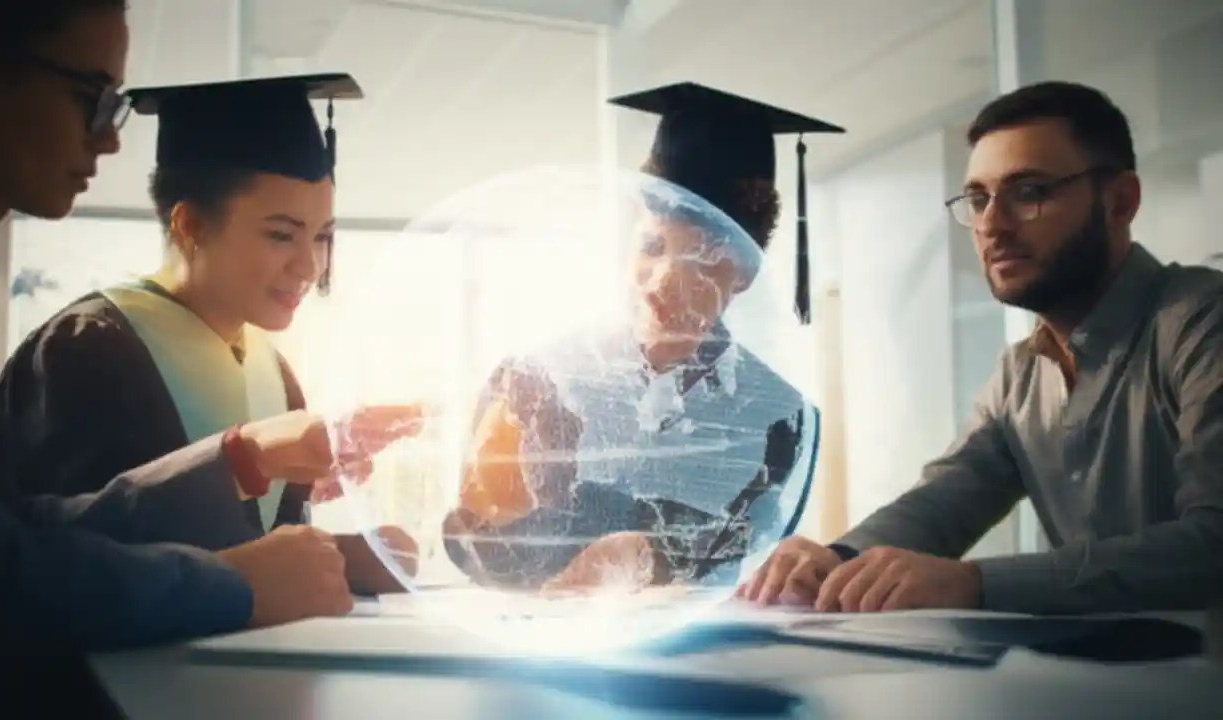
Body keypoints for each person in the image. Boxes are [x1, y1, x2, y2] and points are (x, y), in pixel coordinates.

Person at [0, 0, 364, 712]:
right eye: (92, 99)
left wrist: (255, 472)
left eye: (320, 236)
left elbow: (17, 526)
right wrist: (239, 581)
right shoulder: (86, 347)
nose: (108, 144)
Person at [739, 81, 1223, 615]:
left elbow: (1213, 543)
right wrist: (835, 559)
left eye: (1030, 192)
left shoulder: (1202, 323)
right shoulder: (1020, 374)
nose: (991, 224)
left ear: (1119, 202)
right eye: (978, 198)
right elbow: (946, 499)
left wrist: (973, 584)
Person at [0, 74, 420, 591]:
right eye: (281, 235)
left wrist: (346, 554)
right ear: (190, 226)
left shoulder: (273, 369)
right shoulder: (85, 350)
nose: (309, 265)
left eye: (322, 236)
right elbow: (58, 561)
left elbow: (265, 548)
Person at [442, 83, 836, 592]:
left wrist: (653, 556)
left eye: (701, 257)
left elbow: (754, 553)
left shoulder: (782, 418)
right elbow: (477, 541)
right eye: (652, 245)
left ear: (743, 274)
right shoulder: (533, 379)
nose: (664, 278)